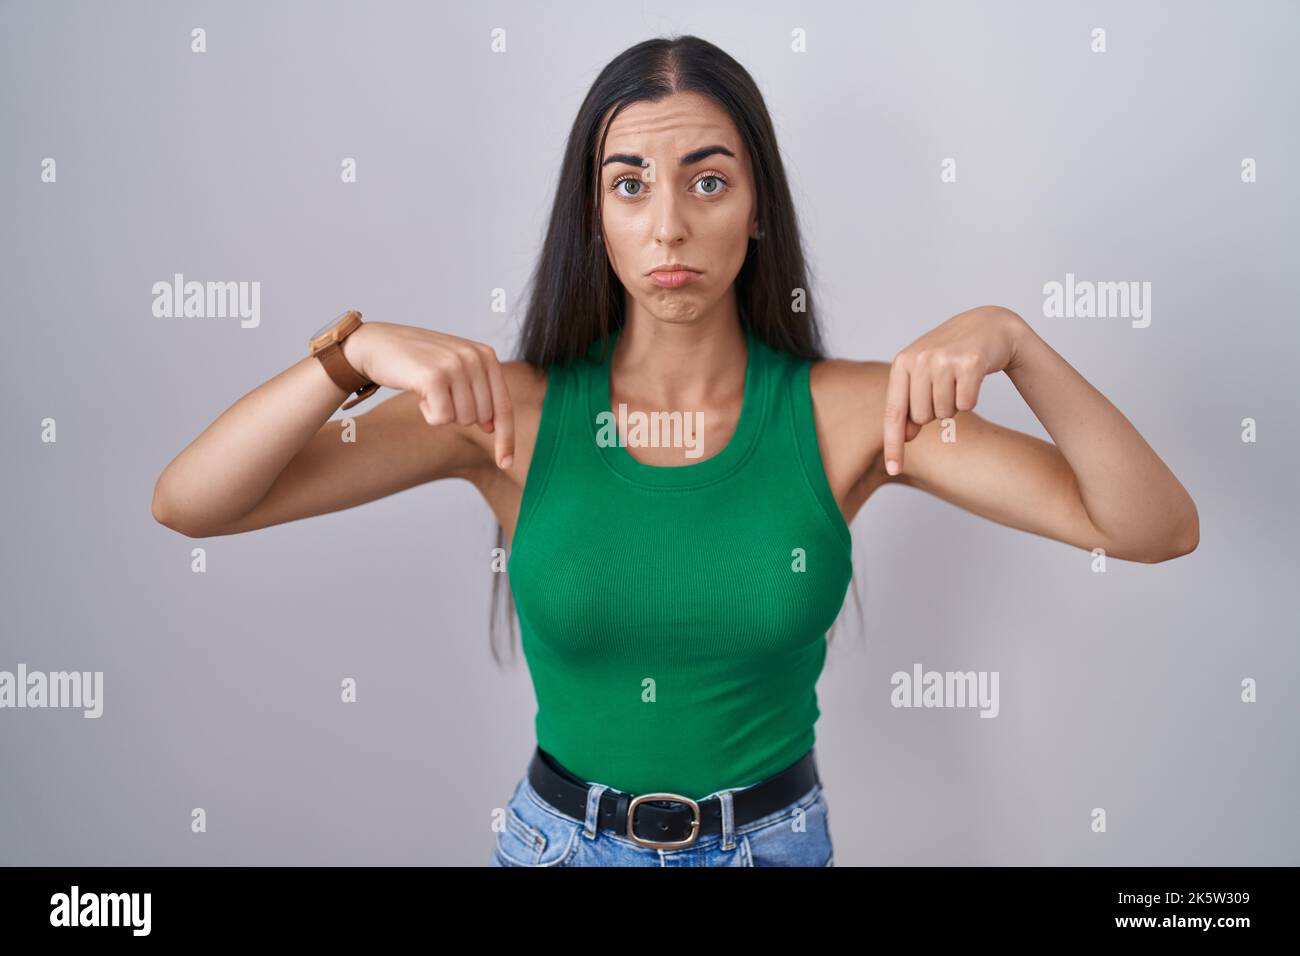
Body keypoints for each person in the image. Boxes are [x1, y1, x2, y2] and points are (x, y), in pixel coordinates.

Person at [151, 35, 1199, 867]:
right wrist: (351, 352)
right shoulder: (504, 415)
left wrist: (1015, 340)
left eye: (706, 182)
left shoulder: (853, 414)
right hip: (557, 845)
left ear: (754, 212)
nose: (666, 228)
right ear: (594, 215)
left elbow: (1149, 527)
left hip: (774, 846)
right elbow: (192, 502)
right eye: (628, 184)